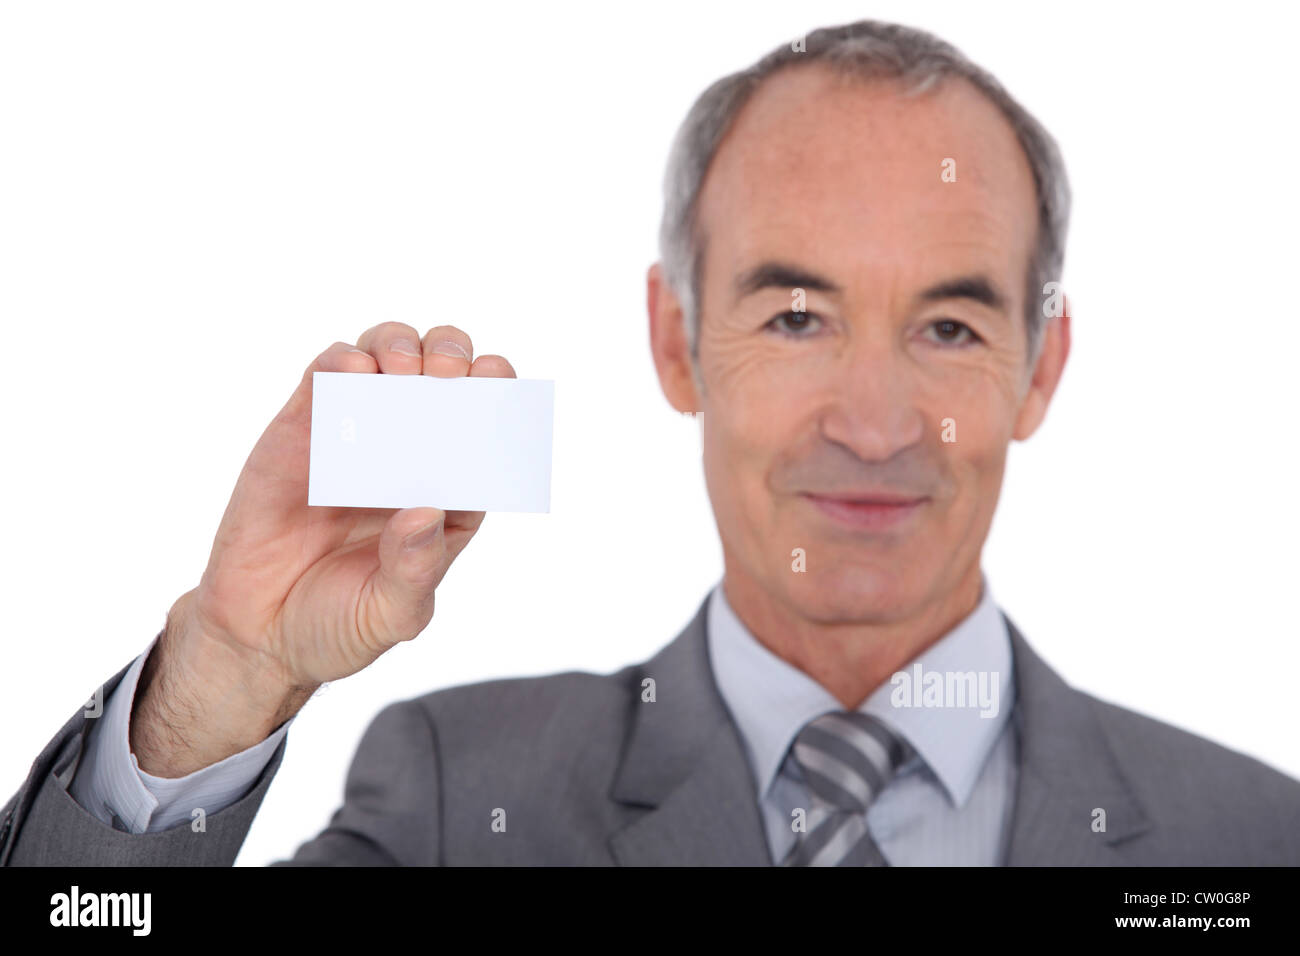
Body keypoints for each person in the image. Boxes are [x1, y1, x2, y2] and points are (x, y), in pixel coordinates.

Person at [4, 18, 1298, 867]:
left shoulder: (1247, 845)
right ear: (675, 344)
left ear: (1042, 368)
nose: (874, 424)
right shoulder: (465, 803)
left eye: (950, 328)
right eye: (796, 316)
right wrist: (224, 675)